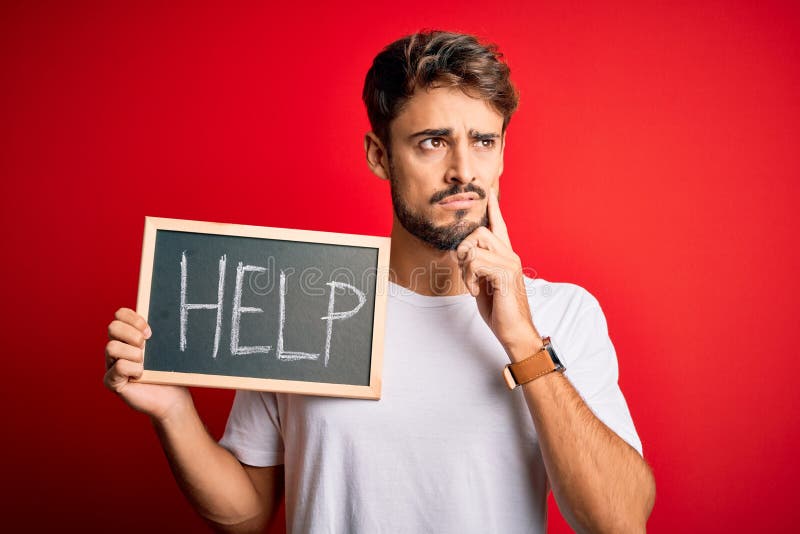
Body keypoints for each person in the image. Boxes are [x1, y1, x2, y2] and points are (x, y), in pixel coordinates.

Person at [104, 30, 655, 533]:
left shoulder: (564, 316)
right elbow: (246, 512)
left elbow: (621, 522)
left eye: (483, 142)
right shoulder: (303, 300)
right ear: (379, 156)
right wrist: (173, 411)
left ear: (503, 153)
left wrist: (523, 343)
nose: (464, 169)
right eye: (432, 142)